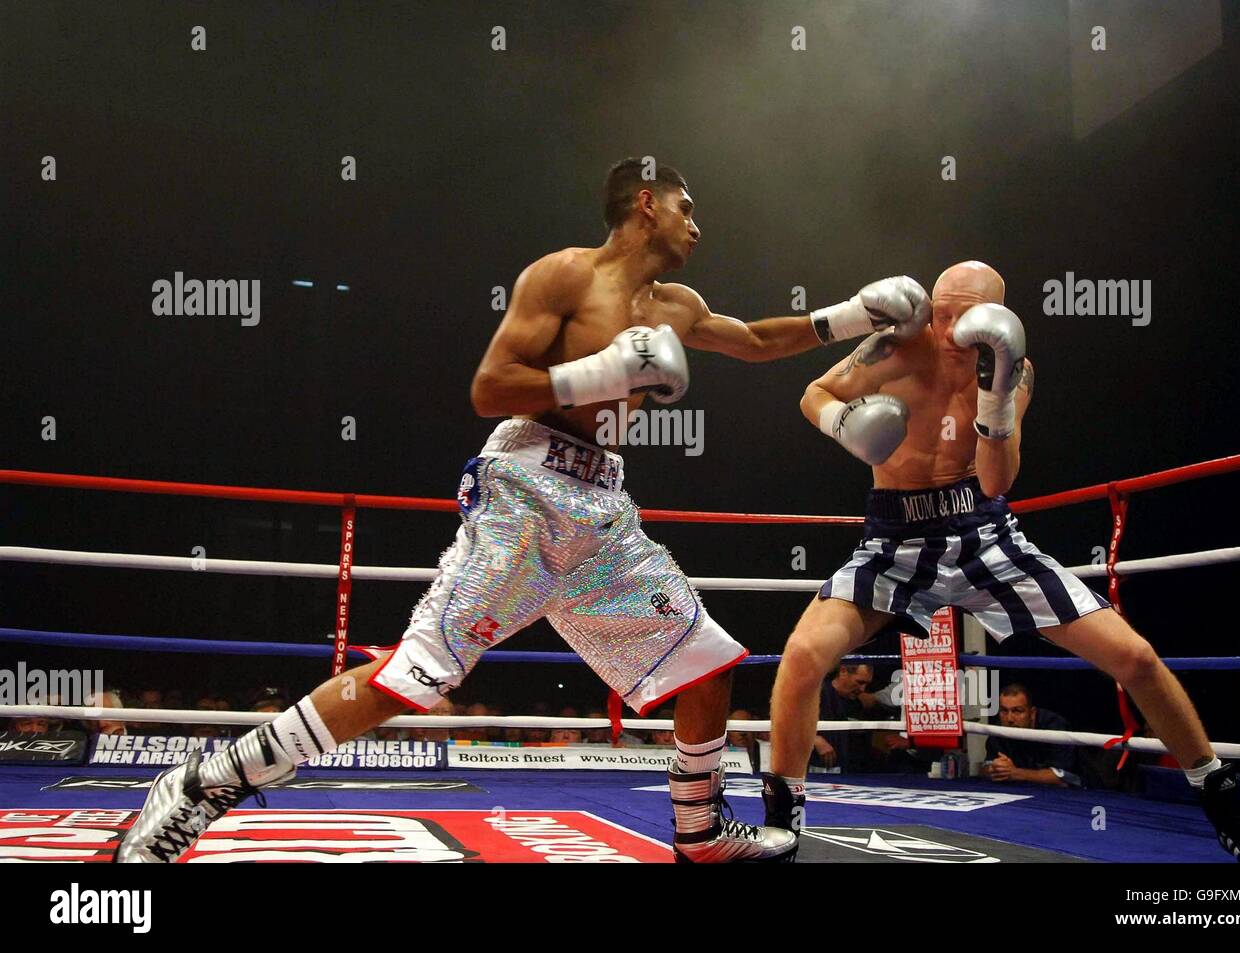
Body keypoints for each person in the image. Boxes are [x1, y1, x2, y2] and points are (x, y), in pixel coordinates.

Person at [116, 157, 891, 864]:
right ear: (646, 205)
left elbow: (755, 339)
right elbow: (491, 387)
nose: (698, 225)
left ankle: (699, 831)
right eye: (687, 207)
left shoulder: (678, 307)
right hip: (523, 491)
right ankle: (207, 779)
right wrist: (602, 371)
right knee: (416, 675)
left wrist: (855, 314)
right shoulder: (564, 275)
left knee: (707, 664)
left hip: (603, 515)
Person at [762, 260, 1240, 863]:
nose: (947, 327)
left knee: (1137, 659)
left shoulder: (1014, 368)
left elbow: (996, 481)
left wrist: (995, 394)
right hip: (895, 539)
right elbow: (814, 393)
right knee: (803, 655)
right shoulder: (892, 346)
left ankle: (1230, 814)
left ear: (996, 317)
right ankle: (784, 825)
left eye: (963, 315)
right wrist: (844, 424)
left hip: (986, 536)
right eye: (940, 311)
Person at [980, 683, 1081, 787]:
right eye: (1004, 711)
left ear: (1032, 713)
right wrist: (996, 769)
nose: (1009, 719)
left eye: (1017, 711)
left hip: (1066, 792)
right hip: (1019, 790)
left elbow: (1065, 777)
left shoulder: (1055, 726)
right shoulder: (1000, 728)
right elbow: (985, 767)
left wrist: (1015, 773)